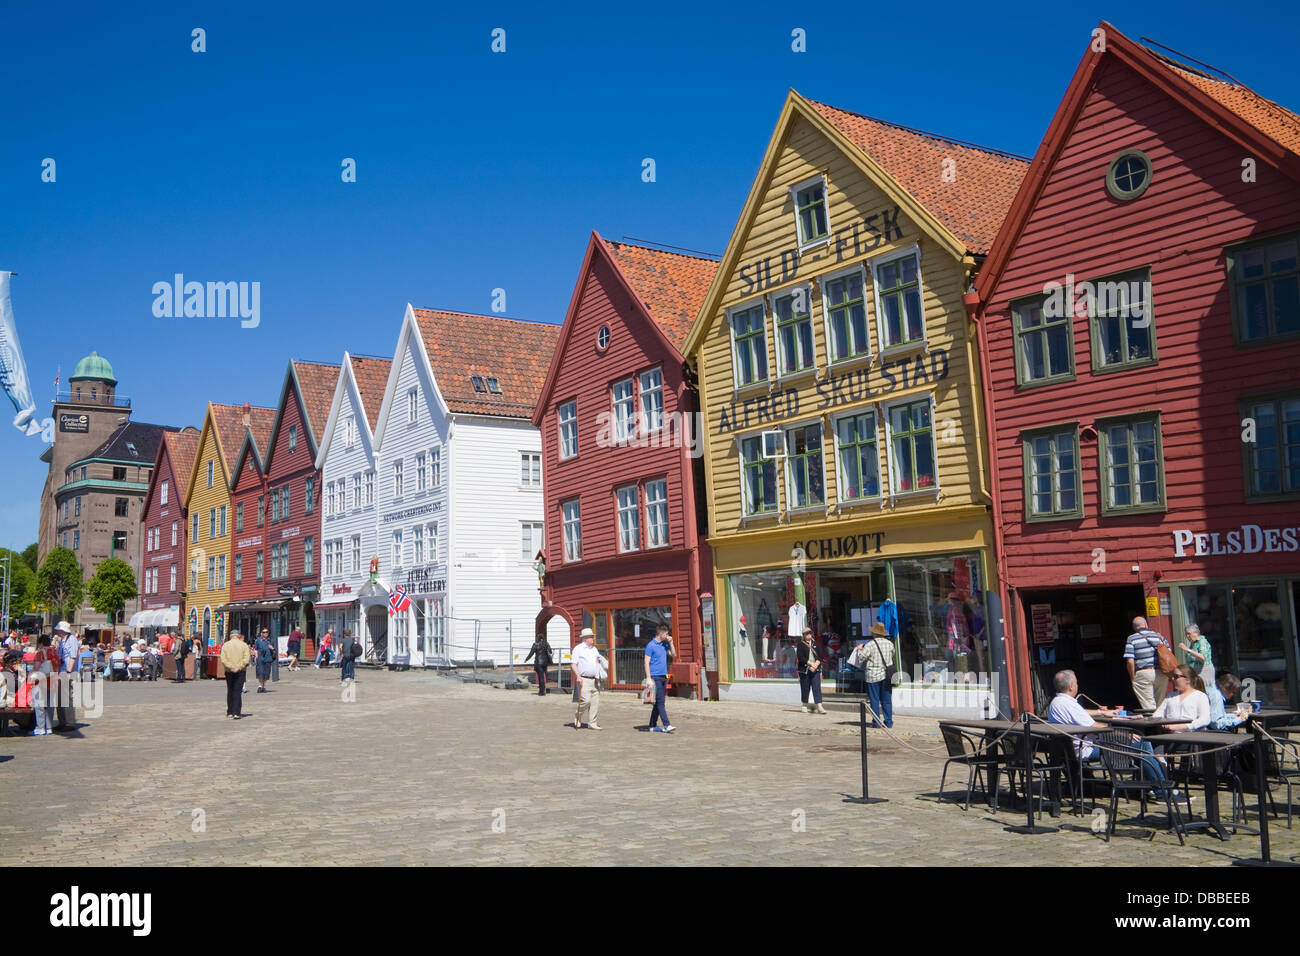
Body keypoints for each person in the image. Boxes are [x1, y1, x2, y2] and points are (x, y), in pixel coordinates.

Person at [1123, 616, 1172, 710]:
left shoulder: (1132, 639)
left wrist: (1132, 676)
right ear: (1146, 624)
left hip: (1143, 673)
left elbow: (1130, 660)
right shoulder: (1158, 636)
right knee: (1160, 704)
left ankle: (1154, 723)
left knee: (1149, 706)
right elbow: (1168, 653)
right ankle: (1162, 723)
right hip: (1161, 672)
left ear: (1134, 627)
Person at [1151, 664, 1211, 731]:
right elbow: (1157, 714)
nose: (1173, 679)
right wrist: (1163, 723)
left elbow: (1205, 719)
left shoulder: (1200, 696)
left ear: (1187, 680)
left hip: (1192, 736)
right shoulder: (1171, 696)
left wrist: (1185, 726)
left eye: (1176, 676)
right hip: (1170, 736)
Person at [860, 621, 895, 728]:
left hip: (873, 676)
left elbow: (861, 658)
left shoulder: (870, 644)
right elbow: (892, 654)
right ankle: (888, 722)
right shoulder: (890, 644)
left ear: (874, 633)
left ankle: (877, 722)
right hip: (887, 675)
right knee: (887, 700)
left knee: (874, 700)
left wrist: (860, 650)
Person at [571, 627, 606, 730]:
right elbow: (573, 664)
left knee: (595, 701)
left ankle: (592, 723)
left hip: (595, 679)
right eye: (591, 637)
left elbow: (596, 661)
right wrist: (578, 676)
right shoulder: (578, 649)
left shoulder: (594, 649)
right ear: (585, 638)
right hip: (583, 679)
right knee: (586, 701)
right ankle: (578, 715)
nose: (593, 639)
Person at [644, 625, 676, 733]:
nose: (667, 635)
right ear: (661, 633)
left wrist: (671, 643)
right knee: (660, 702)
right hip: (655, 677)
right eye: (666, 634)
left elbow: (673, 654)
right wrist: (648, 678)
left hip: (663, 676)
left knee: (659, 702)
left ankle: (652, 725)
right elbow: (646, 662)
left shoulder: (664, 645)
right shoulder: (650, 645)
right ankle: (667, 725)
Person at [28, 635, 62, 736]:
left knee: (39, 706)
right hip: (53, 680)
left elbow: (37, 667)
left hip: (41, 681)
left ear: (41, 643)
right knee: (50, 705)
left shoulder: (40, 653)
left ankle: (40, 728)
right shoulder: (54, 652)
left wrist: (31, 675)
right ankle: (49, 727)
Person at [54, 621, 79, 731]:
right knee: (60, 697)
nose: (57, 631)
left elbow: (73, 656)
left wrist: (69, 671)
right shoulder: (62, 640)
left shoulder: (72, 640)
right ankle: (62, 721)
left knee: (67, 697)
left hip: (66, 671)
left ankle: (69, 722)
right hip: (61, 670)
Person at [220, 631, 251, 719]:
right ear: (238, 636)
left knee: (230, 690)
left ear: (231, 636)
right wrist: (239, 667)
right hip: (240, 671)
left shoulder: (225, 645)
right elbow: (246, 658)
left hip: (229, 671)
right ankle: (237, 712)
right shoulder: (244, 645)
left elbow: (223, 659)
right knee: (237, 691)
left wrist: (230, 667)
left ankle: (230, 711)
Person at [796, 627, 827, 715]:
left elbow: (820, 656)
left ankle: (819, 706)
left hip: (815, 668)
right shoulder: (801, 645)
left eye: (810, 632)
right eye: (807, 633)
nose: (809, 634)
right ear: (803, 635)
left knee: (816, 687)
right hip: (805, 669)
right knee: (805, 688)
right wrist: (811, 664)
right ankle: (804, 705)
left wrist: (816, 664)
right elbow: (801, 657)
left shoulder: (816, 644)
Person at [1178, 624, 1215, 689]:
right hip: (1195, 672)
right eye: (1186, 634)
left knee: (1205, 692)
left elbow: (1203, 657)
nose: (1187, 636)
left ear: (1196, 633)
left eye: (1189, 634)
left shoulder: (1202, 642)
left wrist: (1188, 650)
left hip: (1204, 671)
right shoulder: (1194, 643)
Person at [254, 628, 275, 692]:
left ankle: (263, 686)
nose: (265, 633)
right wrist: (256, 656)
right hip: (260, 659)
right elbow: (255, 649)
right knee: (260, 673)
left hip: (268, 659)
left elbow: (274, 649)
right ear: (261, 633)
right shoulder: (258, 640)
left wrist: (272, 648)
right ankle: (260, 686)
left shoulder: (270, 640)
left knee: (266, 674)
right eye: (264, 632)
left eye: (266, 632)